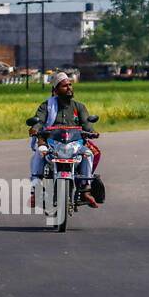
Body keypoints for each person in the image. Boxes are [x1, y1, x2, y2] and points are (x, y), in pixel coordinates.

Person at [28, 72, 98, 209]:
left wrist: (92, 132)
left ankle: (85, 189)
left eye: (70, 85)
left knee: (88, 154)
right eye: (64, 86)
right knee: (39, 152)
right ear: (56, 90)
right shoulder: (47, 106)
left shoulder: (79, 107)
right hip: (51, 143)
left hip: (74, 145)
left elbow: (86, 124)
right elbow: (39, 120)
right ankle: (35, 190)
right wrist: (35, 129)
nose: (69, 88)